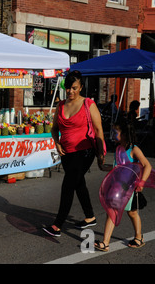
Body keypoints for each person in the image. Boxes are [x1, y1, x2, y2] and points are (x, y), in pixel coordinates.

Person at [43, 70, 106, 237]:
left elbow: (99, 130)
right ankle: (90, 216)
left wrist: (100, 154)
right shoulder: (61, 105)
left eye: (74, 88)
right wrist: (57, 143)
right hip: (67, 152)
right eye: (68, 88)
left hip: (85, 151)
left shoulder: (88, 104)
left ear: (81, 87)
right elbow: (54, 128)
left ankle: (57, 225)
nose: (70, 91)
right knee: (78, 183)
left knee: (68, 184)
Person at [94, 119, 152, 252]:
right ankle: (105, 243)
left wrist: (141, 182)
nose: (113, 134)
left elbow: (147, 165)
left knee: (132, 213)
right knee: (111, 212)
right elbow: (119, 168)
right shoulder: (118, 149)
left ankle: (139, 237)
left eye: (115, 132)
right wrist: (104, 167)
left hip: (131, 188)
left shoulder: (134, 149)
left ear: (124, 134)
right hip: (118, 188)